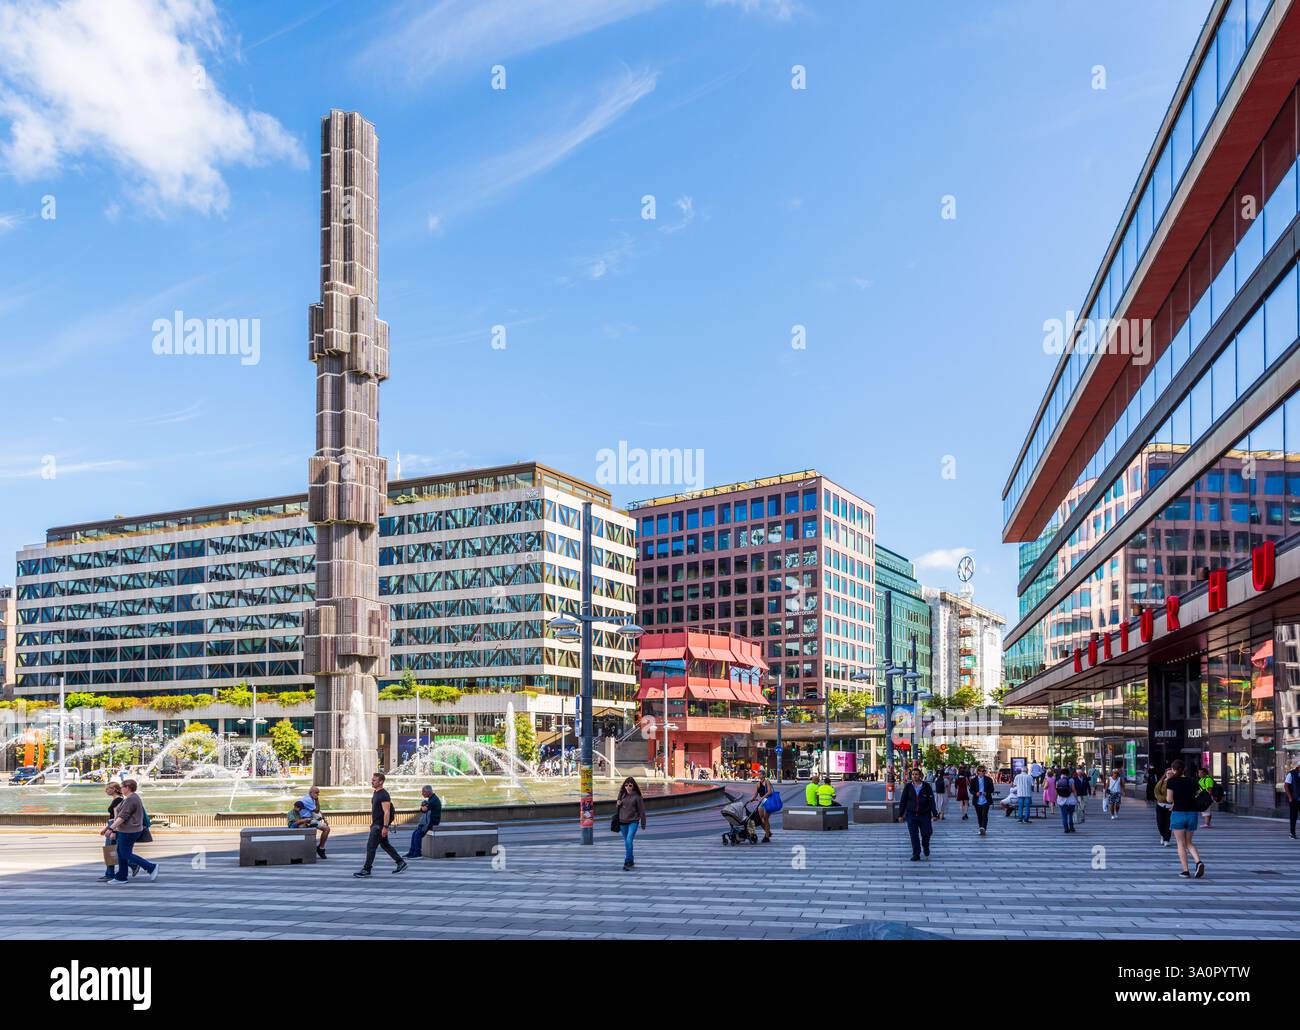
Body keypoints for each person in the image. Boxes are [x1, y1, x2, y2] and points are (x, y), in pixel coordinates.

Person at [354, 772, 407, 877]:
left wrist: (385, 827)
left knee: (371, 847)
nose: (372, 781)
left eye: (374, 780)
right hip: (376, 824)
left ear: (381, 782)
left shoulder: (384, 794)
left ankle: (366, 869)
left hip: (379, 826)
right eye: (372, 779)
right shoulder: (376, 793)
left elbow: (386, 812)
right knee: (385, 845)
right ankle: (401, 862)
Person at [107, 779, 158, 884]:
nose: (120, 789)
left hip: (129, 831)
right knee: (121, 853)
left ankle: (151, 867)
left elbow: (122, 817)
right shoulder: (130, 798)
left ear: (127, 787)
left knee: (125, 854)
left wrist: (111, 828)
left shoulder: (131, 799)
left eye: (122, 787)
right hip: (127, 830)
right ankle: (121, 877)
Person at [1166, 759, 1206, 879]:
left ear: (1173, 770)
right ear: (1184, 770)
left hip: (1178, 813)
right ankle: (1199, 862)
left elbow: (1169, 799)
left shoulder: (1171, 781)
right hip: (1192, 814)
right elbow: (1199, 794)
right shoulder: (1192, 781)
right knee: (1189, 843)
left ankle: (1185, 870)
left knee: (1180, 843)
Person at [898, 767, 936, 860]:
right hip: (911, 815)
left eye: (917, 774)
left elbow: (931, 801)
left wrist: (935, 814)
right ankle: (916, 854)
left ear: (920, 776)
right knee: (913, 835)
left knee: (927, 833)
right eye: (913, 774)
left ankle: (925, 846)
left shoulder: (926, 786)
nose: (915, 776)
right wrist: (900, 815)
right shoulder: (908, 786)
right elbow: (903, 801)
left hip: (925, 815)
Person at [289, 785, 330, 859]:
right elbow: (317, 810)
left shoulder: (312, 799)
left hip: (310, 818)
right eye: (316, 793)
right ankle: (320, 849)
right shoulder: (308, 799)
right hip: (305, 820)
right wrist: (317, 799)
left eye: (318, 793)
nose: (318, 794)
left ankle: (320, 848)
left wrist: (324, 818)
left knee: (326, 828)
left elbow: (318, 810)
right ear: (311, 792)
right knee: (326, 829)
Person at [615, 776, 647, 870]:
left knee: (629, 840)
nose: (627, 787)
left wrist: (643, 823)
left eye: (630, 785)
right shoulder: (622, 794)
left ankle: (627, 861)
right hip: (622, 821)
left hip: (633, 821)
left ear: (633, 786)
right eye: (626, 785)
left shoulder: (637, 797)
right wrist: (618, 804)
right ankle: (631, 860)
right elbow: (617, 807)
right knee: (627, 842)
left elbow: (642, 811)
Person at [405, 785, 442, 859]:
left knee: (418, 834)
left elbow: (423, 809)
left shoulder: (433, 800)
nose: (422, 794)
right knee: (415, 833)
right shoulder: (432, 798)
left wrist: (423, 806)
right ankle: (412, 852)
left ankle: (417, 853)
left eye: (423, 792)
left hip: (431, 822)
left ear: (428, 792)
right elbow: (423, 809)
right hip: (428, 821)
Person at [97, 782, 124, 882]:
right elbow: (112, 817)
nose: (106, 790)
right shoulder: (116, 800)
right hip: (111, 826)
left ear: (115, 789)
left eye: (108, 788)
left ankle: (133, 864)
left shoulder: (118, 800)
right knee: (110, 851)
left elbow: (117, 817)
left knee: (111, 851)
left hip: (114, 827)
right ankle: (109, 873)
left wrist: (113, 831)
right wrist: (106, 828)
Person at [969, 764, 995, 836]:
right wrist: (975, 793)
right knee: (979, 816)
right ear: (978, 772)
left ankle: (984, 828)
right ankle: (980, 828)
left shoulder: (989, 779)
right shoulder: (974, 780)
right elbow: (970, 789)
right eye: (981, 771)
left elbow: (992, 789)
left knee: (984, 815)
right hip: (977, 800)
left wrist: (987, 793)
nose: (983, 772)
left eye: (984, 771)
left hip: (986, 800)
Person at [1153, 766, 1174, 847]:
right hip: (1160, 805)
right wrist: (1163, 799)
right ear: (1165, 774)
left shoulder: (1175, 782)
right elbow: (1156, 792)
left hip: (1171, 806)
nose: (1169, 774)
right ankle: (1162, 835)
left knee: (1169, 823)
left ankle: (1166, 839)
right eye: (1168, 773)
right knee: (1160, 822)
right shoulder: (1161, 782)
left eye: (1171, 773)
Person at [753, 773, 774, 842]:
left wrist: (763, 797)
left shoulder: (767, 782)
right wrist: (752, 799)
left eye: (760, 774)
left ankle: (767, 836)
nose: (759, 775)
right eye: (758, 774)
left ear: (764, 775)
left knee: (765, 819)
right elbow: (756, 793)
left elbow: (770, 792)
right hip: (762, 802)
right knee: (759, 819)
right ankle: (768, 832)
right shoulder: (758, 784)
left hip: (768, 801)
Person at [1055, 767, 1077, 833]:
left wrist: (1057, 799)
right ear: (1068, 773)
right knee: (1070, 815)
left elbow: (1057, 791)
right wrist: (1076, 798)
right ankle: (1072, 828)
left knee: (1064, 815)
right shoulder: (1071, 780)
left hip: (1061, 801)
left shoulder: (1058, 780)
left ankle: (1066, 829)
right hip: (1071, 800)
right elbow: (1074, 790)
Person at [1286, 760, 1300, 840]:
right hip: (1294, 799)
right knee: (1293, 817)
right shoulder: (1291, 774)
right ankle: (1292, 833)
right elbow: (1286, 786)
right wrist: (1290, 797)